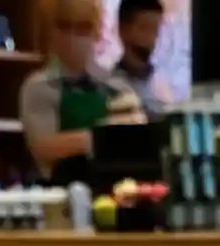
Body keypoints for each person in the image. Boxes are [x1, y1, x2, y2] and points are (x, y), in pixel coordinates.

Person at [20, 0, 145, 185]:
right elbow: (44, 148)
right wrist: (108, 136)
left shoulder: (117, 88)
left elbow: (138, 146)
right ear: (50, 31)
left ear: (96, 32)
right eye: (64, 27)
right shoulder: (39, 87)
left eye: (83, 28)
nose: (73, 37)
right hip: (61, 195)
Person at [112, 0, 172, 118]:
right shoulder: (111, 88)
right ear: (123, 30)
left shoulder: (163, 84)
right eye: (144, 28)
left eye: (155, 31)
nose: (151, 39)